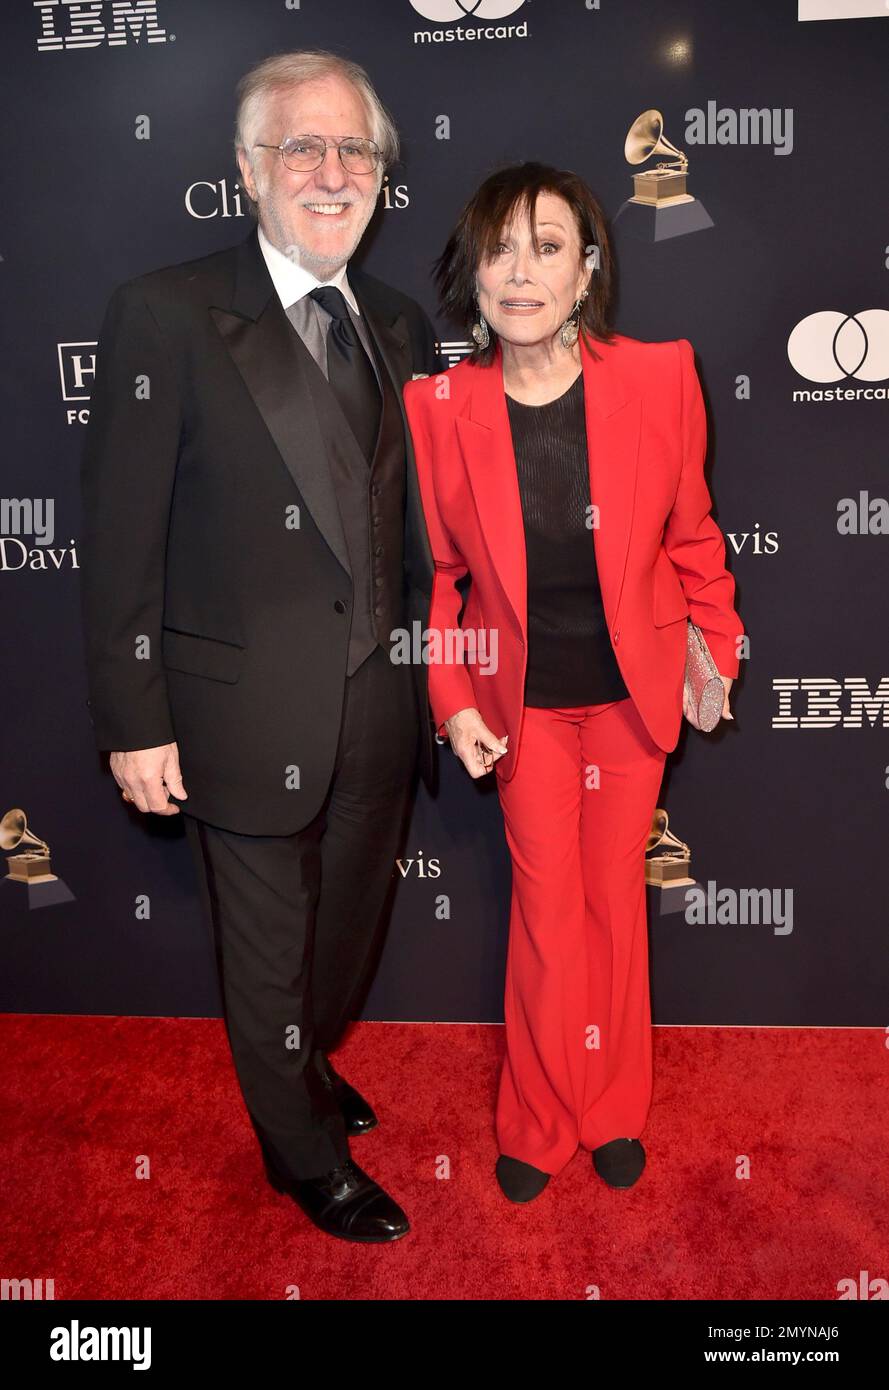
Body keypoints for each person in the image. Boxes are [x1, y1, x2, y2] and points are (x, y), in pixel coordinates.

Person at [79, 50, 441, 1244]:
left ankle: (304, 1068)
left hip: (380, 710)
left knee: (341, 938)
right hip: (238, 707)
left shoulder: (393, 320)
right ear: (247, 169)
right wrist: (134, 718)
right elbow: (122, 532)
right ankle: (301, 1156)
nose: (332, 174)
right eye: (302, 147)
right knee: (269, 950)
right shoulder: (166, 312)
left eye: (356, 152)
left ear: (381, 177)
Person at [403, 162, 744, 1204]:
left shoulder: (655, 376)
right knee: (546, 913)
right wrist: (453, 703)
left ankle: (610, 1111)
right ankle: (538, 1118)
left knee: (612, 909)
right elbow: (448, 583)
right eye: (498, 250)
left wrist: (713, 651)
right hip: (526, 709)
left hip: (632, 700)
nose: (519, 273)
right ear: (473, 273)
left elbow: (694, 540)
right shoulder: (440, 405)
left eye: (546, 246)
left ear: (587, 267)